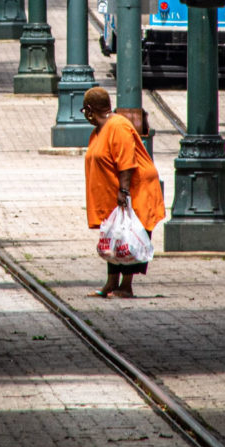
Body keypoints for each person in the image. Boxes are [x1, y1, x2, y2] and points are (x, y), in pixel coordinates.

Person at [81, 87, 165, 298]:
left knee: (129, 238)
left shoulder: (118, 126)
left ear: (90, 110)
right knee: (114, 237)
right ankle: (111, 283)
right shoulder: (100, 129)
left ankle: (126, 286)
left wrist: (124, 190)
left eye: (85, 111)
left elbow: (126, 162)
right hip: (115, 193)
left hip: (136, 190)